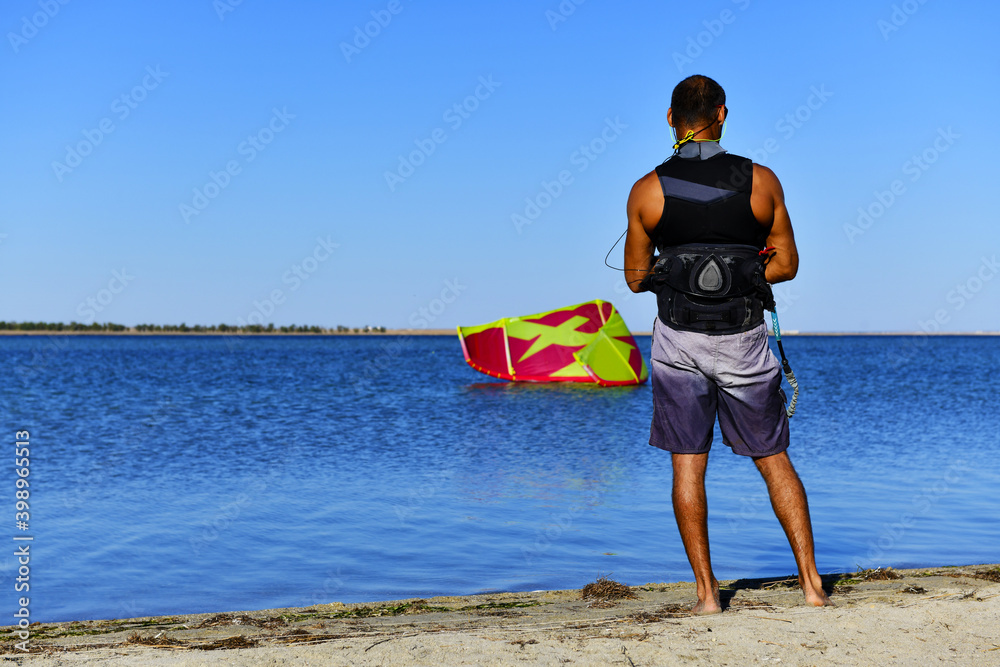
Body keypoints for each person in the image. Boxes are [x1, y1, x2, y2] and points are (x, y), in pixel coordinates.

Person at [623, 74, 832, 614]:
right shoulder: (759, 181)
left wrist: (676, 269)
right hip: (744, 340)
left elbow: (634, 277)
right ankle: (811, 587)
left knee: (688, 465)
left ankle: (708, 596)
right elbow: (785, 265)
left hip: (679, 344)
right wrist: (748, 265)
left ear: (671, 119)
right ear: (722, 114)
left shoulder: (648, 189)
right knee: (774, 459)